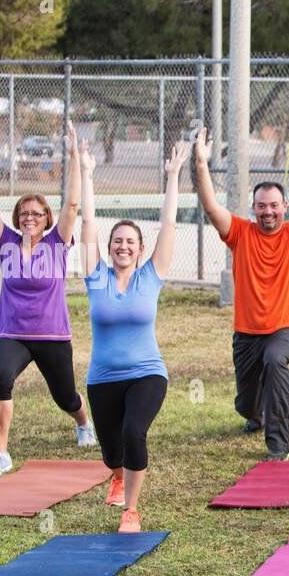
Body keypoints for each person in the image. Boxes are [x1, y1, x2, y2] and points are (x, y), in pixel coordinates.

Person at [192, 126, 289, 460]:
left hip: (285, 329)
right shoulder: (239, 233)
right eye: (261, 206)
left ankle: (278, 444)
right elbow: (211, 205)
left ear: (285, 206)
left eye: (273, 205)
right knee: (245, 402)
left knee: (275, 364)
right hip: (246, 333)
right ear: (252, 208)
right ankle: (254, 416)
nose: (268, 211)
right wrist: (201, 163)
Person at [0, 120, 96, 476]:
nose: (29, 218)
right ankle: (0, 453)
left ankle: (83, 421)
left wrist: (73, 156)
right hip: (13, 332)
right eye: (24, 214)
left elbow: (72, 203)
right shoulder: (6, 243)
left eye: (36, 214)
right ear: (17, 218)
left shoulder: (57, 243)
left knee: (65, 396)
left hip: (52, 334)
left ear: (46, 219)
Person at [78, 137, 187, 533]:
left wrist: (173, 177)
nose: (123, 246)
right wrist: (87, 174)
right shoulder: (95, 277)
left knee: (133, 431)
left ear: (140, 250)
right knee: (112, 451)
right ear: (108, 249)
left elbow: (169, 225)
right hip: (103, 378)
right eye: (117, 241)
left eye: (130, 242)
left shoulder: (151, 277)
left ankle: (132, 510)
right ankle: (118, 475)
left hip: (147, 373)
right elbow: (87, 224)